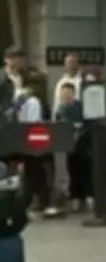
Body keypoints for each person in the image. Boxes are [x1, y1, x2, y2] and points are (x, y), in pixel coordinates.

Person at [13, 69, 53, 216]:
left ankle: (34, 200)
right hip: (33, 138)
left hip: (23, 137)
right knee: (35, 171)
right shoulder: (33, 100)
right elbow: (34, 122)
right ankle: (37, 200)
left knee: (32, 171)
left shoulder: (20, 98)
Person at [55, 82, 91, 212]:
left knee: (83, 170)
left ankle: (84, 198)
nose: (65, 95)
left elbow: (85, 125)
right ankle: (73, 197)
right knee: (71, 170)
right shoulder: (60, 109)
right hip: (67, 144)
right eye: (63, 93)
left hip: (81, 144)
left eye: (68, 92)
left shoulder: (80, 107)